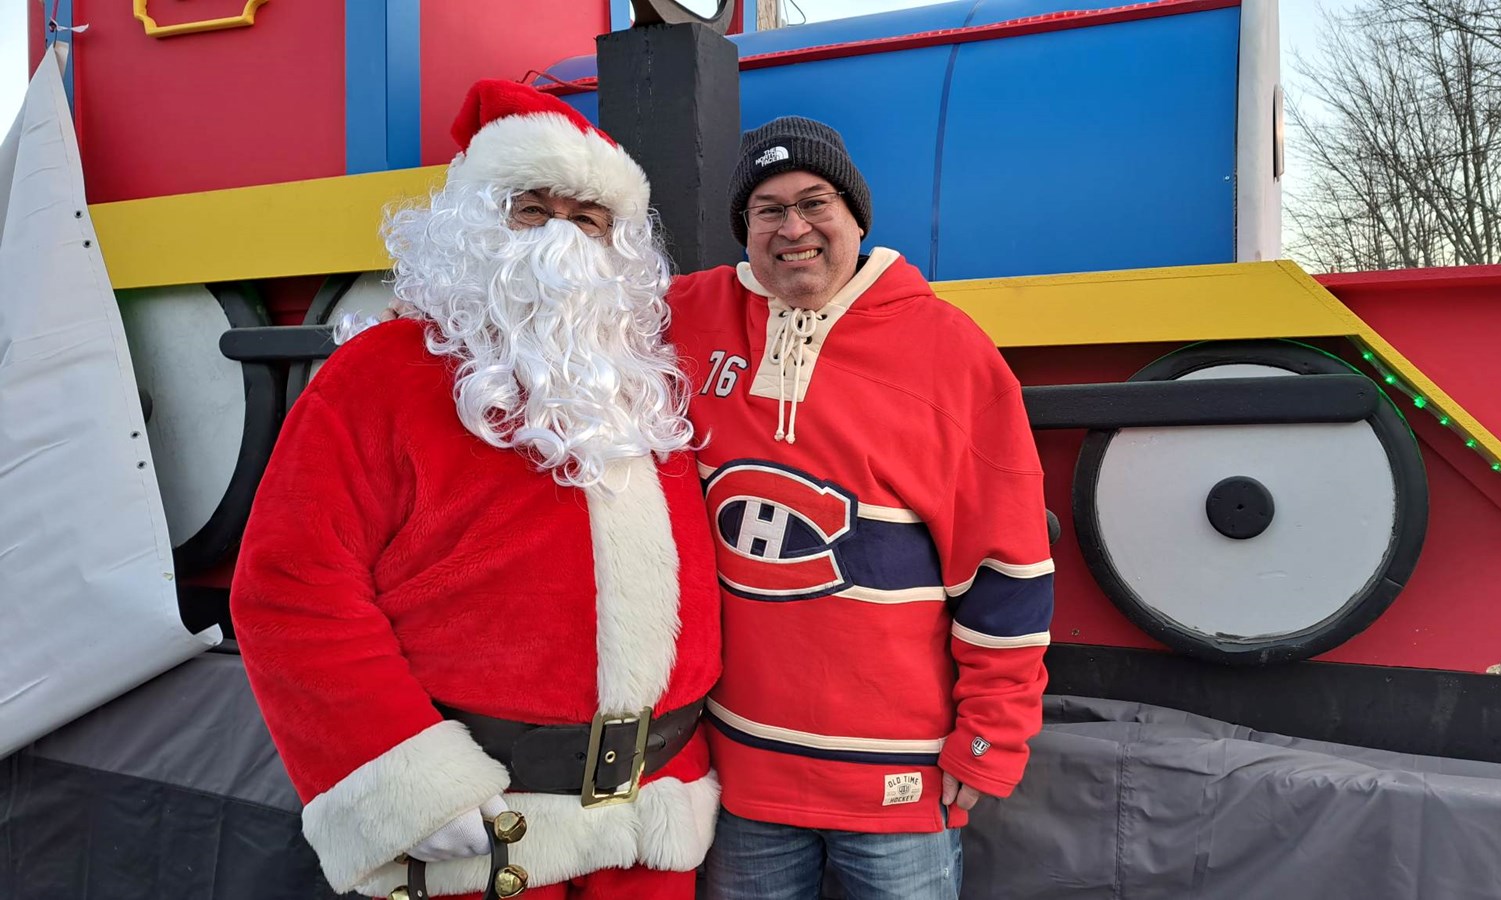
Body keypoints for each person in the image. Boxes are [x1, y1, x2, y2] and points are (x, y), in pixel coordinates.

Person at [230, 80, 721, 900]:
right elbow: (292, 585)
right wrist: (402, 777)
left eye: (589, 217)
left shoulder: (644, 379)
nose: (563, 236)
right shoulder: (379, 376)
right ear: (472, 228)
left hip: (656, 825)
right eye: (533, 209)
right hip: (486, 835)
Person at [668, 117, 1056, 899]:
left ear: (857, 217)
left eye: (815, 203)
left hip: (900, 783)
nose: (794, 227)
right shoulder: (685, 320)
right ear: (744, 229)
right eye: (768, 210)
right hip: (741, 776)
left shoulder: (950, 351)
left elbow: (1008, 566)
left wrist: (989, 739)